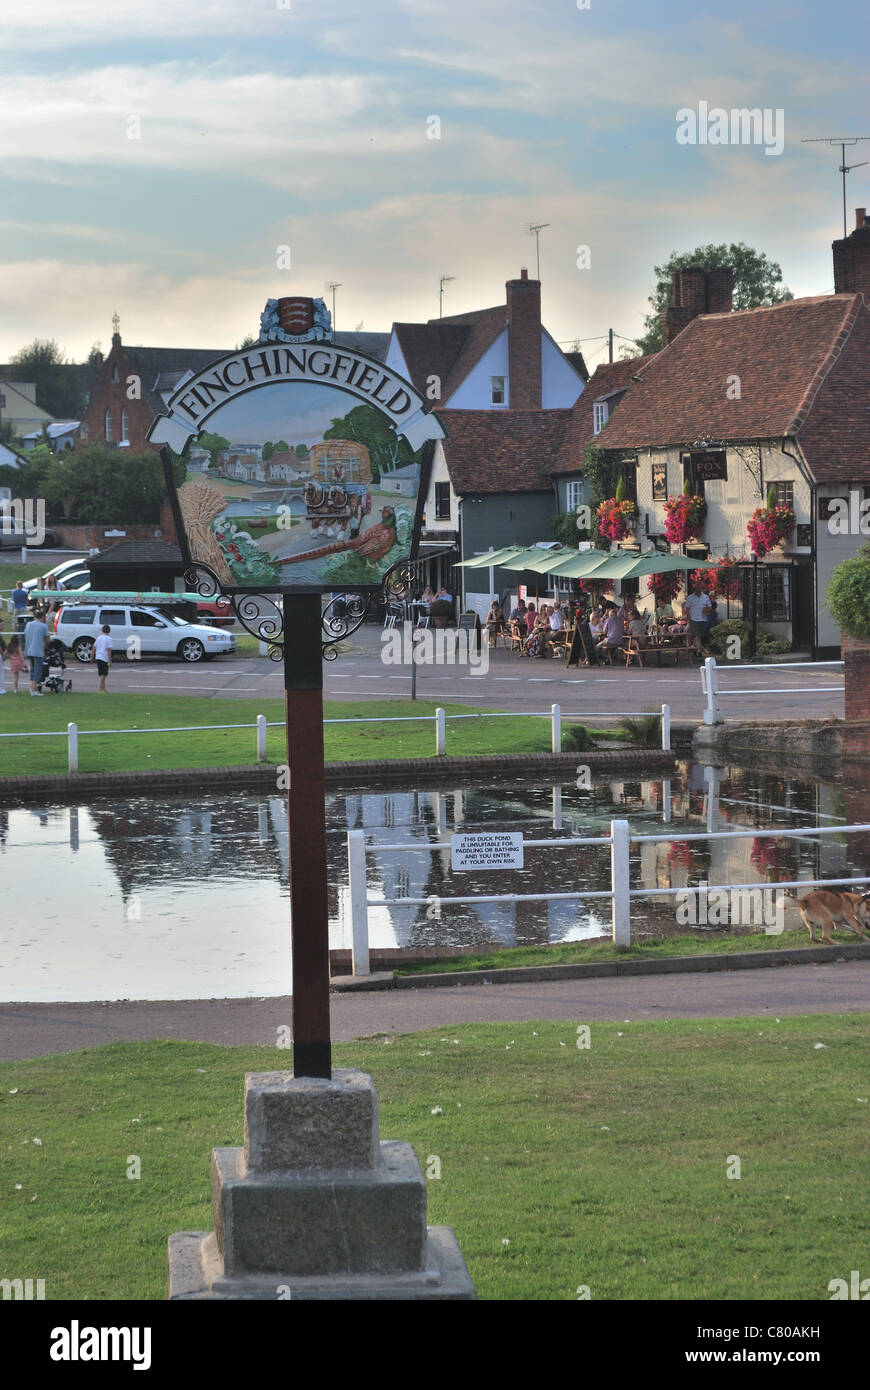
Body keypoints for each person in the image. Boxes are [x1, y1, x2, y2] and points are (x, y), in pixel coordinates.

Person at [682, 582, 713, 658]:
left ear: (701, 589)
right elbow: (687, 609)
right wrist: (689, 619)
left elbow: (710, 608)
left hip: (703, 620)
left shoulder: (705, 597)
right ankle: (699, 651)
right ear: (695, 589)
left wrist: (706, 609)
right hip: (694, 620)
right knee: (697, 636)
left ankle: (694, 649)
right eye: (697, 588)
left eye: (699, 588)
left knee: (698, 636)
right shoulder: (690, 598)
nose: (698, 589)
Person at [24, 609, 48, 695]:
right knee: (38, 670)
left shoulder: (28, 624)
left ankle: (32, 688)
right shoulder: (43, 626)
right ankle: (33, 689)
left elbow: (25, 636)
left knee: (33, 669)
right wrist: (46, 646)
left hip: (29, 650)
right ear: (42, 617)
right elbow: (47, 639)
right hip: (38, 651)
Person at [94, 623, 112, 693]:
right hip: (104, 658)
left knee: (102, 674)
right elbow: (109, 650)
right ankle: (100, 689)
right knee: (104, 674)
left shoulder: (99, 637)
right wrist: (110, 660)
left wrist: (92, 656)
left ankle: (103, 688)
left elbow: (94, 647)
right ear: (109, 631)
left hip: (98, 657)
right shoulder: (109, 639)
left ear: (102, 630)